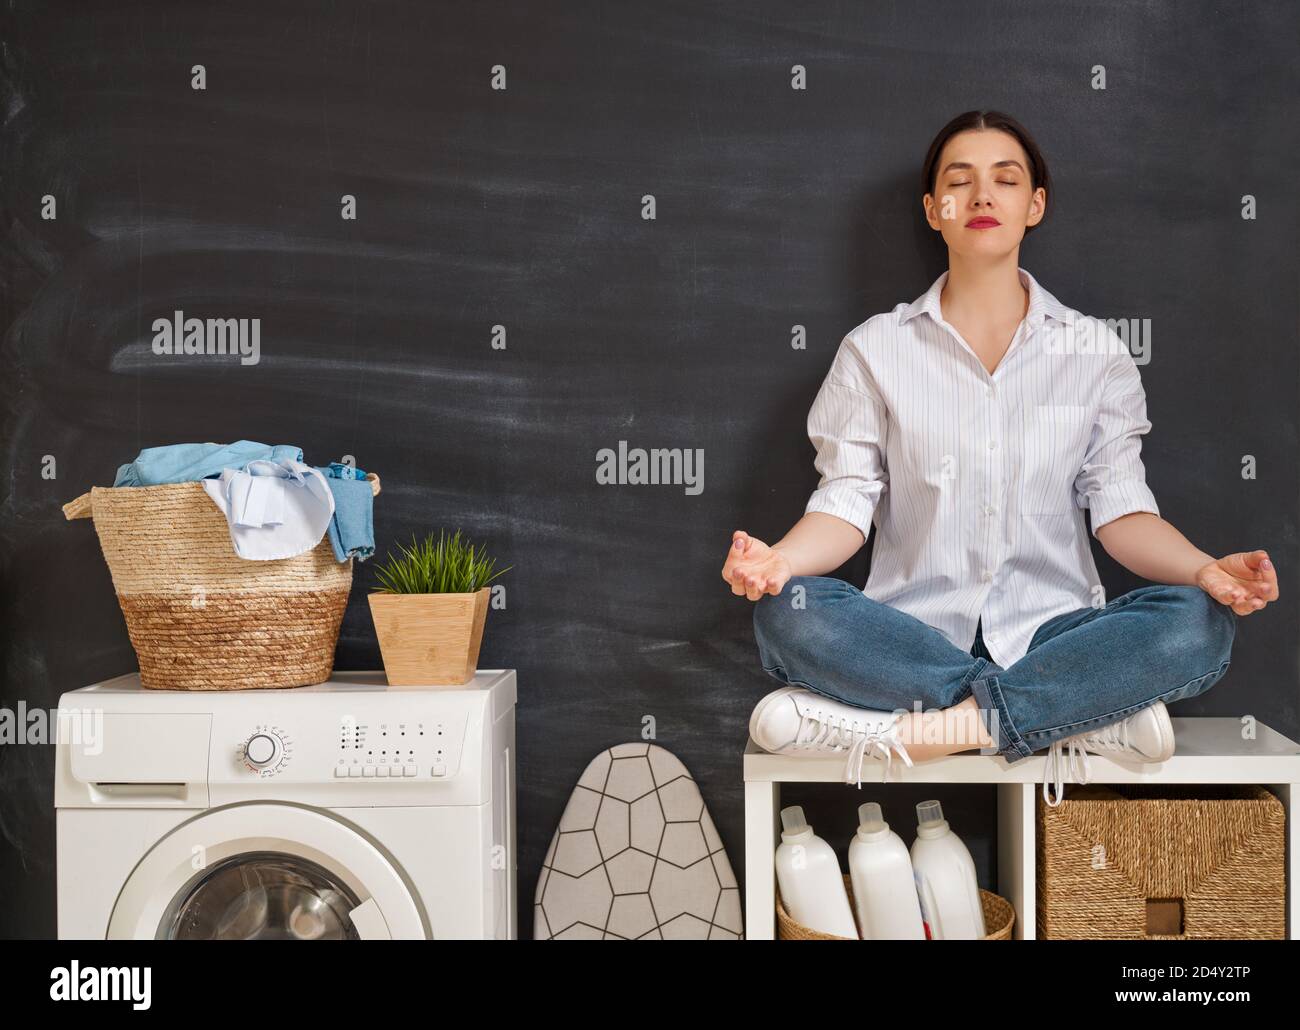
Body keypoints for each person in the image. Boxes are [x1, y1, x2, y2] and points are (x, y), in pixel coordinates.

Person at [721, 110, 1278, 806]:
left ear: (1033, 205)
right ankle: (1068, 717)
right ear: (934, 210)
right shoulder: (875, 350)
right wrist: (779, 562)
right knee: (789, 614)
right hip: (908, 637)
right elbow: (844, 503)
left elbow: (1122, 513)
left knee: (1198, 621)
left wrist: (1204, 570)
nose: (983, 196)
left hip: (1058, 634)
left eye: (1006, 180)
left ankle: (948, 725)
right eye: (961, 182)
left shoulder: (1095, 353)